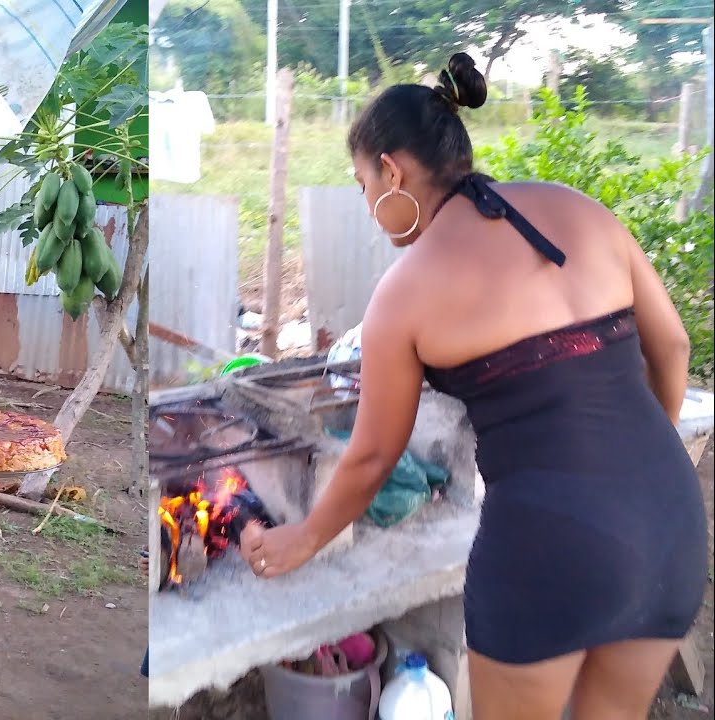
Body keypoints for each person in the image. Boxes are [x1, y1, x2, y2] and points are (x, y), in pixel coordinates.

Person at [237, 54, 704, 720]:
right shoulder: (579, 209)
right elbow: (674, 345)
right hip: (670, 519)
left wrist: (303, 538)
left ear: (392, 171)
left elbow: (372, 456)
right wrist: (629, 469)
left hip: (548, 545)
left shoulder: (405, 292)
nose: (370, 207)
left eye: (363, 184)